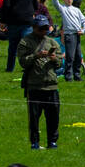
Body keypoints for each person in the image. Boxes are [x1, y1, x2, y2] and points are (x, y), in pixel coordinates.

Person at [19, 15, 62, 150]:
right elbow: (22, 62)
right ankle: (35, 142)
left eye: (45, 28)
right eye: (41, 28)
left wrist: (54, 58)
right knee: (34, 118)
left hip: (51, 85)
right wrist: (36, 56)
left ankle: (52, 141)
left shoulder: (52, 43)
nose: (43, 31)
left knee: (53, 117)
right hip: (34, 86)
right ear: (34, 27)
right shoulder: (25, 42)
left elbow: (60, 63)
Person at [51, 0, 85, 81]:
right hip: (69, 35)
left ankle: (77, 75)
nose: (69, 0)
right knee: (70, 57)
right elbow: (55, 3)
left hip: (77, 34)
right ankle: (68, 76)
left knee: (77, 56)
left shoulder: (76, 10)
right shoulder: (63, 9)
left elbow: (84, 20)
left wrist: (84, 30)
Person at [0, 0, 35, 73]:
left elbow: (6, 7)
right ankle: (29, 67)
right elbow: (35, 5)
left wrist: (3, 21)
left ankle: (10, 68)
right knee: (28, 46)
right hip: (27, 21)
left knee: (13, 47)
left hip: (14, 22)